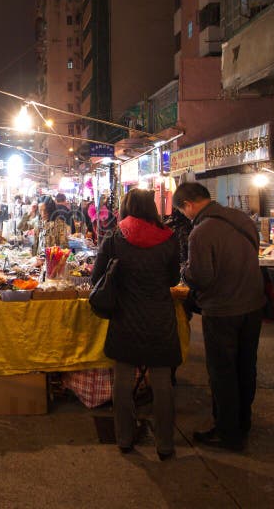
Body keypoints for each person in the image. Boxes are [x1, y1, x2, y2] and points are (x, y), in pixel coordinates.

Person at [173, 182, 264, 452]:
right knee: (246, 365)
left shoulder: (200, 232)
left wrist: (184, 271)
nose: (185, 216)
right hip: (253, 304)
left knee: (222, 371)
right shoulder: (241, 218)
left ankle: (227, 431)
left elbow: (201, 276)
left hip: (223, 309)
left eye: (182, 211)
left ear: (188, 205)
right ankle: (243, 421)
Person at [91, 189, 180, 459]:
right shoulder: (169, 237)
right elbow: (173, 279)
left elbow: (97, 277)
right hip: (160, 318)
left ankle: (124, 439)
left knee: (123, 379)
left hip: (125, 316)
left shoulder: (115, 237)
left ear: (126, 207)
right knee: (162, 380)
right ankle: (165, 444)